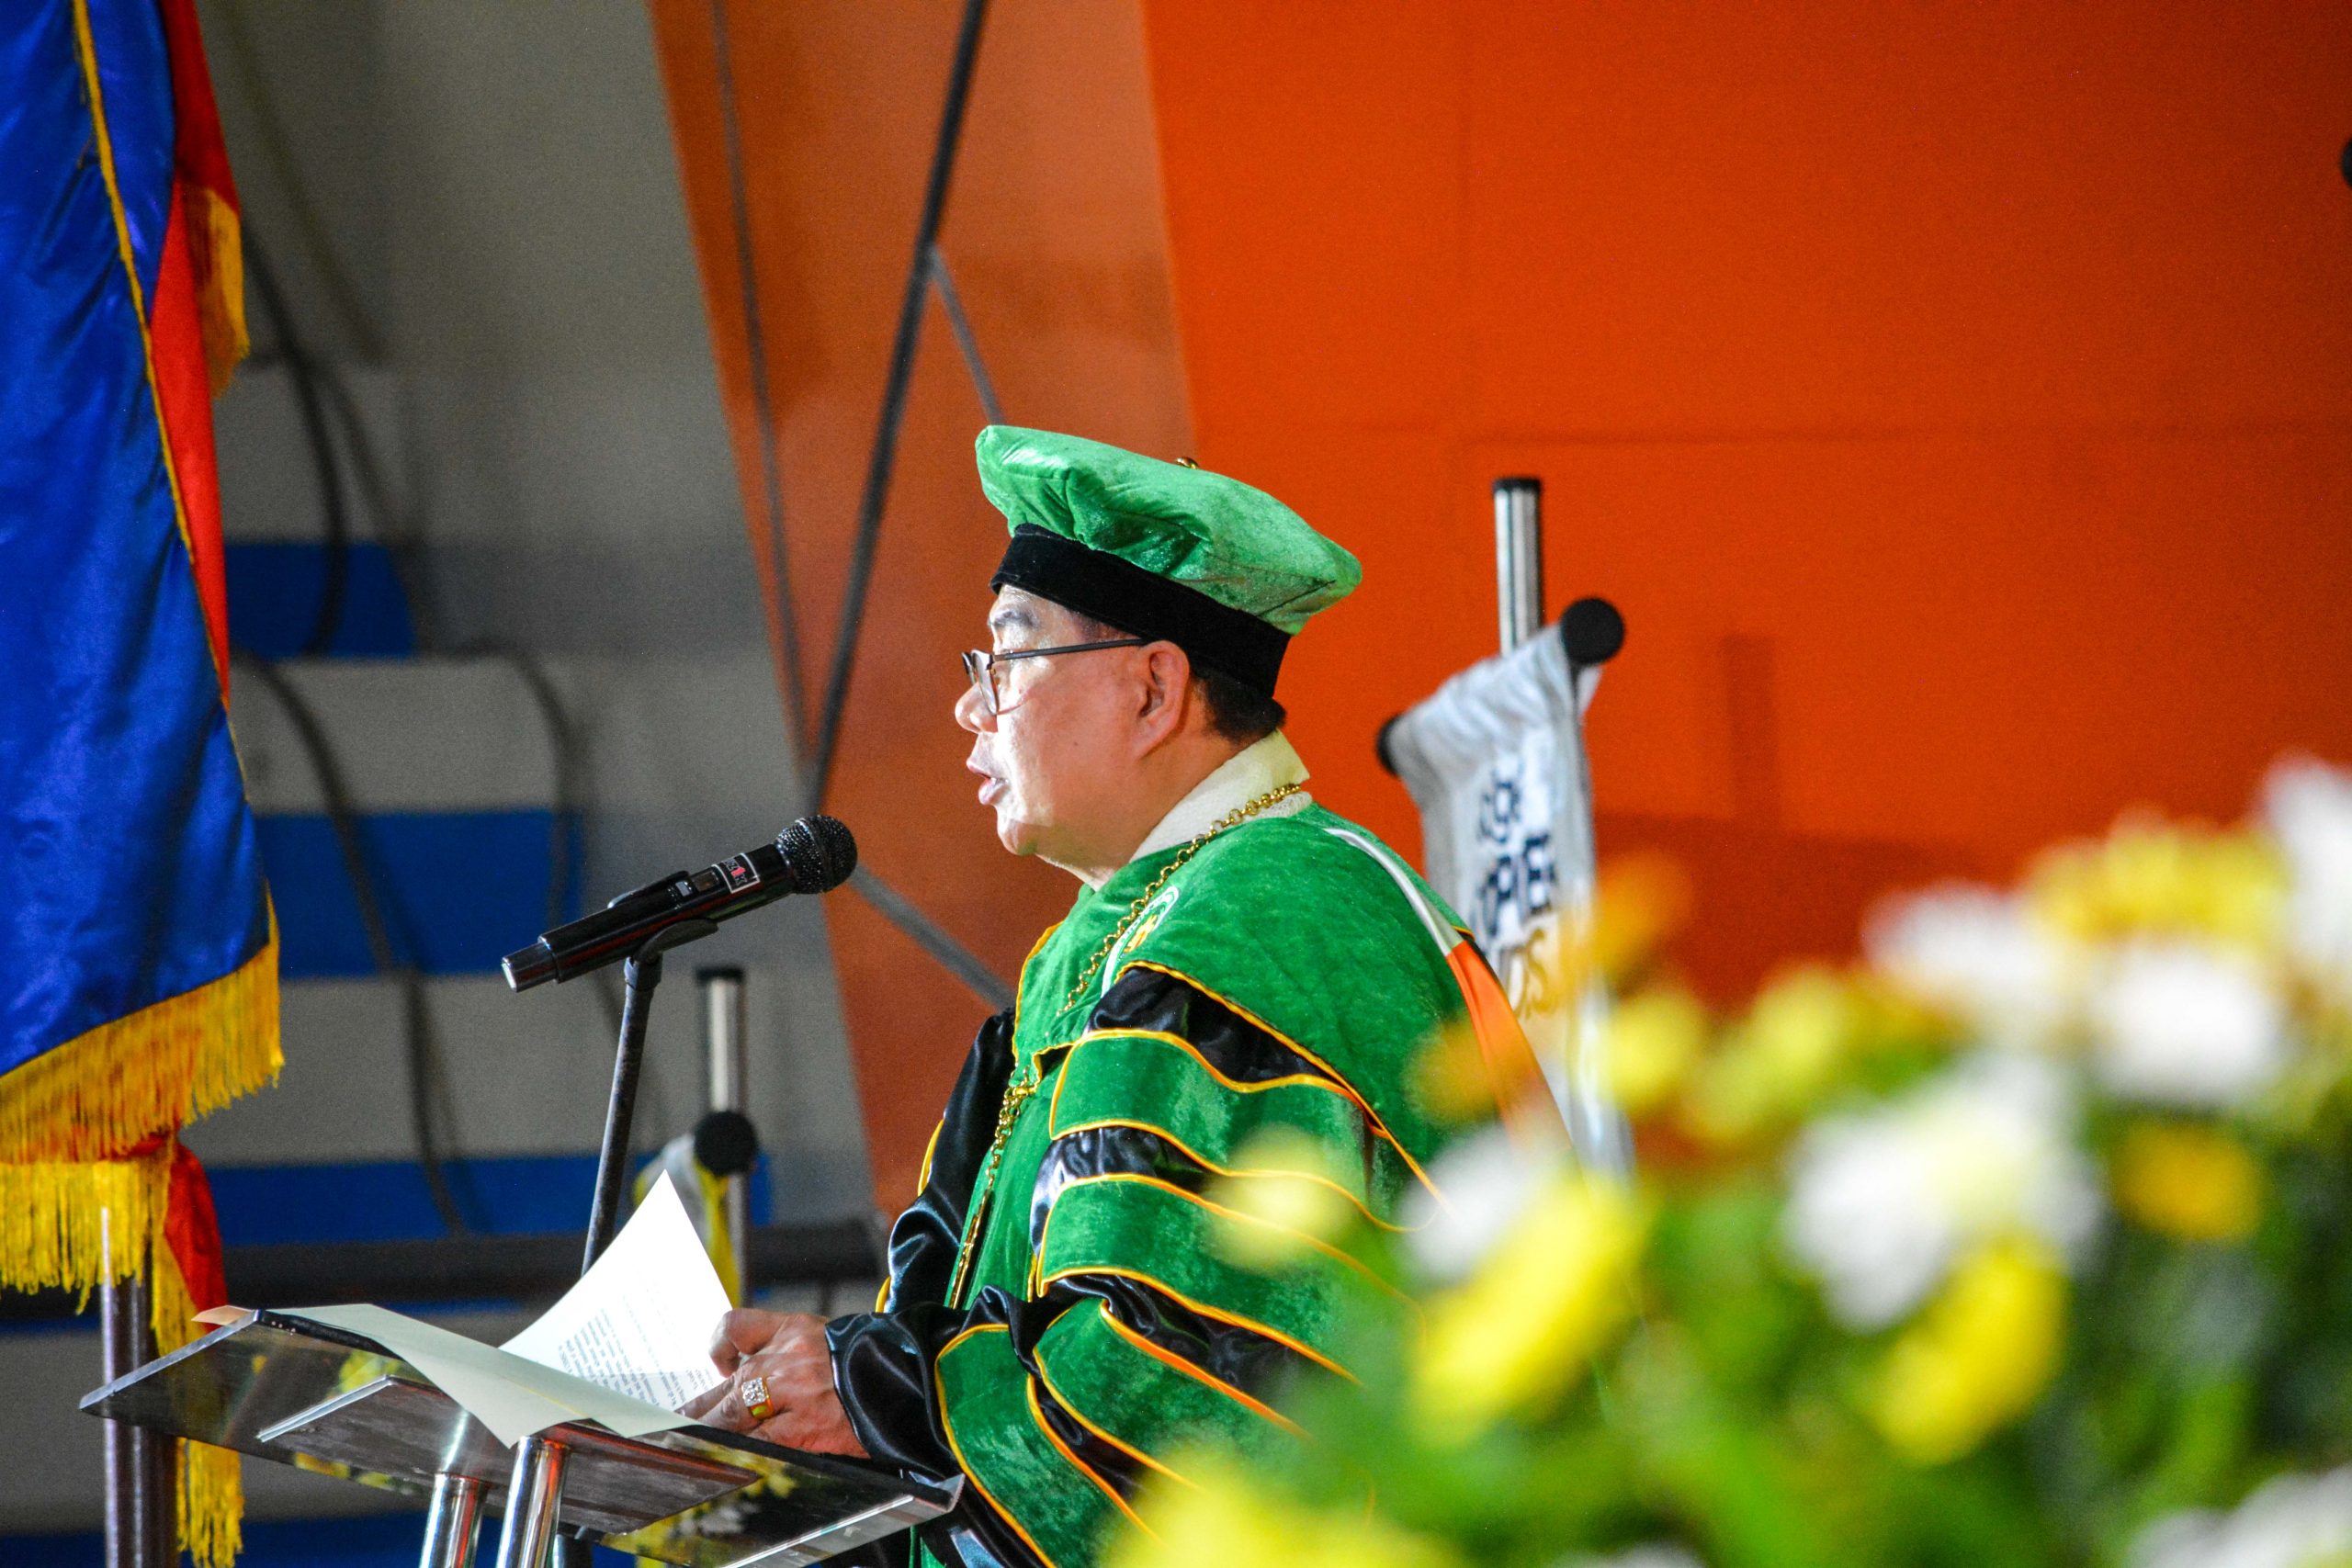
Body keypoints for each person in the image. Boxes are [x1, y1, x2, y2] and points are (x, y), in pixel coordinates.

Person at [683, 427, 1554, 1568]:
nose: (971, 709)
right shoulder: (1098, 944)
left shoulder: (1271, 920)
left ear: (1152, 690)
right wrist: (832, 1399)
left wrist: (874, 1391)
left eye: (1007, 655)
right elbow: (963, 1285)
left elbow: (1171, 1379)